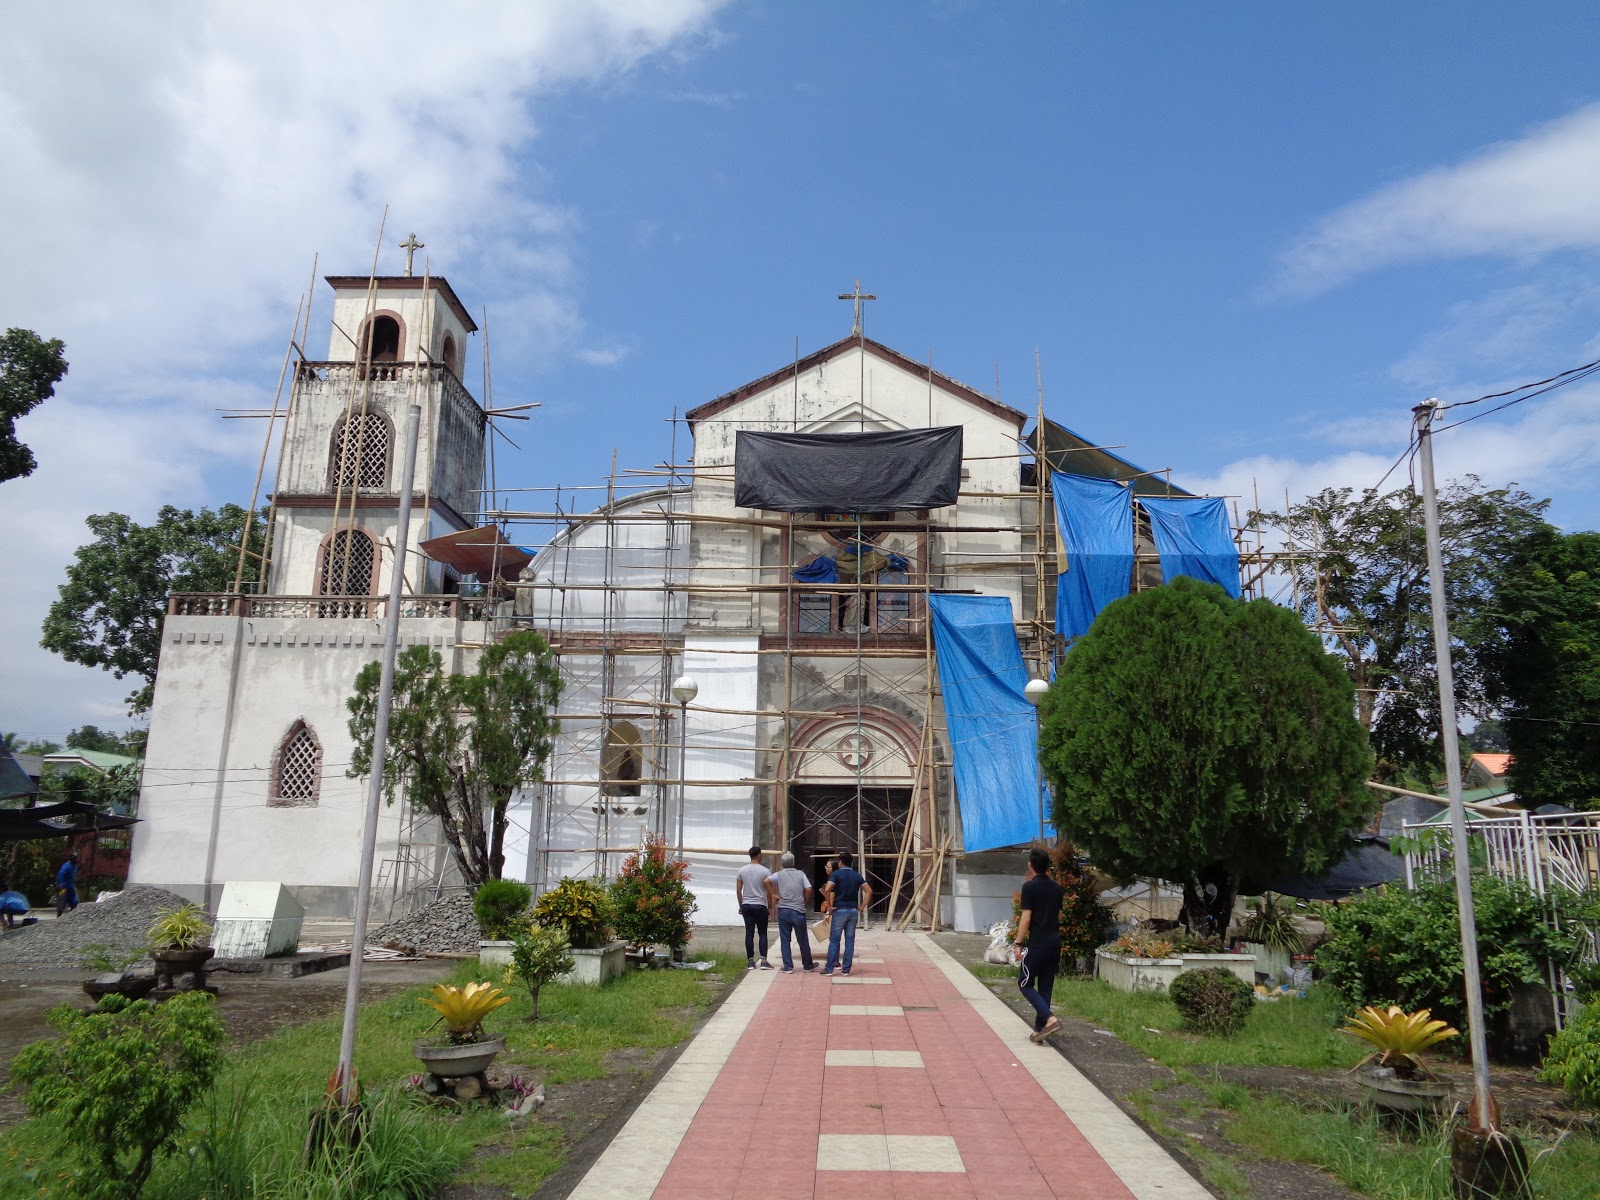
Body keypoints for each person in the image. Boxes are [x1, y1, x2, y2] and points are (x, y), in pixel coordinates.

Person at [1014, 847, 1064, 1042]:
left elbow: (1026, 918)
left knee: (1025, 984)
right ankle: (1039, 1030)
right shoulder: (1057, 887)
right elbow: (1060, 915)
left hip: (1037, 945)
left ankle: (1050, 1020)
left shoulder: (1029, 887)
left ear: (1030, 865)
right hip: (1054, 945)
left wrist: (1018, 943)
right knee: (1045, 988)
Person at [821, 851, 871, 976]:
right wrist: (862, 907)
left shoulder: (836, 874)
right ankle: (846, 969)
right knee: (849, 940)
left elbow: (827, 889)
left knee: (834, 940)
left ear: (841, 862)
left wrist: (830, 906)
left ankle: (829, 968)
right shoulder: (856, 875)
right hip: (853, 911)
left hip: (840, 910)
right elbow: (869, 891)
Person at [766, 852, 816, 973]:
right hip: (798, 910)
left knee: (785, 939)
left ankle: (788, 966)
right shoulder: (801, 874)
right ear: (793, 863)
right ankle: (807, 965)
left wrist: (773, 894)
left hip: (783, 910)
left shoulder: (778, 875)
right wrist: (804, 901)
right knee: (802, 939)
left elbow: (766, 881)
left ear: (782, 864)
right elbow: (808, 889)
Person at [735, 845, 774, 970]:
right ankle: (763, 960)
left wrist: (741, 905)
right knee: (762, 933)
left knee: (749, 933)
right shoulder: (765, 871)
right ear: (759, 855)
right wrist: (770, 906)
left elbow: (738, 890)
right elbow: (769, 891)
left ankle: (750, 961)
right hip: (760, 905)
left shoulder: (741, 871)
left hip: (747, 905)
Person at [54, 852, 79, 917]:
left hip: (70, 886)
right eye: (74, 859)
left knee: (74, 902)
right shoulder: (67, 866)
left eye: (76, 859)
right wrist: (60, 884)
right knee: (61, 903)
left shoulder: (75, 866)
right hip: (64, 888)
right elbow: (60, 874)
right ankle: (58, 917)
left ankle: (72, 917)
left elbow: (72, 875)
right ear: (71, 859)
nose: (75, 860)